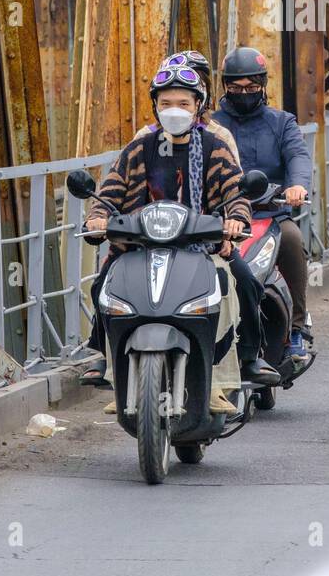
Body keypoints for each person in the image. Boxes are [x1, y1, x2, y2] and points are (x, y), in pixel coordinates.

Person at [81, 60, 279, 410]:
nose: (175, 110)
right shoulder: (138, 149)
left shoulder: (214, 146)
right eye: (167, 103)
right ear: (155, 106)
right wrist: (97, 217)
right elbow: (110, 192)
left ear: (198, 105)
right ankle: (109, 364)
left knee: (243, 282)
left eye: (184, 103)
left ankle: (245, 361)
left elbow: (237, 191)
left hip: (204, 246)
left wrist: (235, 219)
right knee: (104, 284)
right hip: (140, 246)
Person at [213, 46, 312, 361]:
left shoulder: (282, 122)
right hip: (222, 216)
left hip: (270, 213)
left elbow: (297, 154)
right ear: (224, 86)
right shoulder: (211, 125)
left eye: (252, 87)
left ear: (263, 85)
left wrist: (297, 185)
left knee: (293, 241)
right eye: (236, 87)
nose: (244, 93)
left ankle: (297, 327)